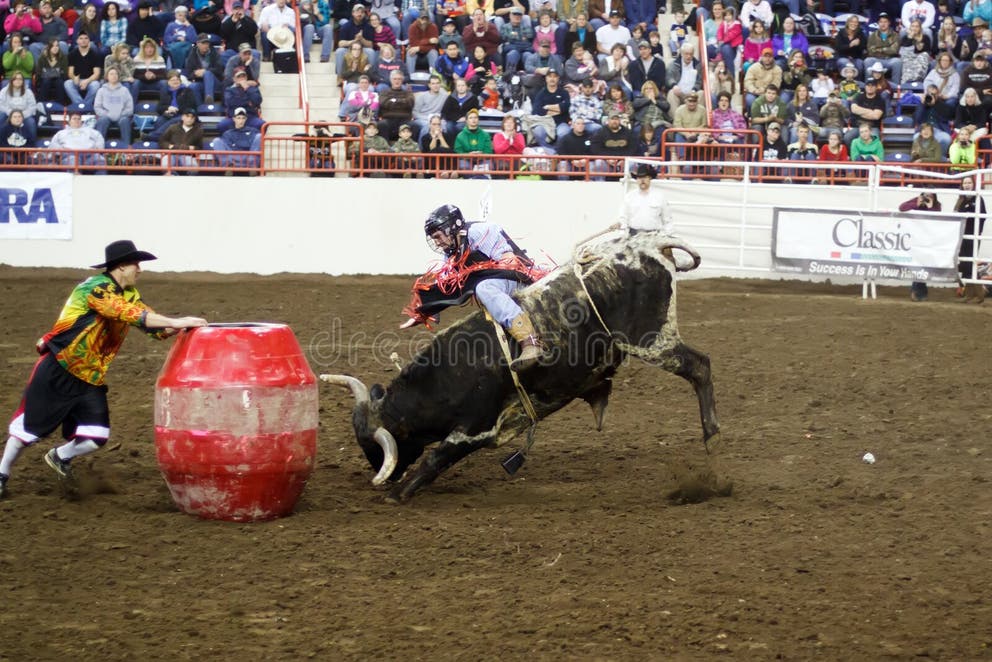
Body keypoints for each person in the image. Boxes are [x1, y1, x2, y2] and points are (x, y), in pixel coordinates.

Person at [0, 240, 208, 499]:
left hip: (90, 376)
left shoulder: (129, 295)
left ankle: (60, 456)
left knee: (96, 435)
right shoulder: (95, 288)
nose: (139, 270)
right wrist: (177, 320)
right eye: (136, 264)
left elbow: (151, 326)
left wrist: (183, 328)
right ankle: (2, 474)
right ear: (121, 267)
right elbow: (129, 314)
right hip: (60, 367)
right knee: (28, 429)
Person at [400, 205, 547, 372]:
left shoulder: (482, 231)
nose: (437, 242)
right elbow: (445, 286)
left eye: (438, 236)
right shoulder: (451, 254)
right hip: (501, 285)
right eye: (434, 239)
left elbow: (510, 262)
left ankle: (530, 342)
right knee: (481, 288)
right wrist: (425, 311)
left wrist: (475, 275)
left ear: (451, 228)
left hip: (521, 279)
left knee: (483, 287)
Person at [898, 192, 941, 301]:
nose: (927, 198)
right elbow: (902, 207)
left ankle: (917, 290)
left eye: (930, 196)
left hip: (929, 239)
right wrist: (916, 204)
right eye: (925, 196)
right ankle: (918, 291)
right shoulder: (917, 200)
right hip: (916, 238)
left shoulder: (936, 205)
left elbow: (937, 217)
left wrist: (930, 207)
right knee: (919, 264)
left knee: (924, 265)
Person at [611, 162, 673, 234]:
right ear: (637, 180)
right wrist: (622, 235)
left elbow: (668, 220)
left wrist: (668, 236)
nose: (642, 180)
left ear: (650, 178)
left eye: (645, 177)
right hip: (634, 237)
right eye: (640, 177)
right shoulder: (629, 197)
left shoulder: (660, 197)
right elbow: (623, 218)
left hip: (654, 236)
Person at [955, 176, 987, 302]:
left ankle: (977, 294)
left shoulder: (978, 198)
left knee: (969, 263)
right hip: (962, 236)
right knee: (965, 263)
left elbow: (982, 217)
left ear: (973, 184)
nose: (967, 185)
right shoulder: (960, 200)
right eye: (965, 183)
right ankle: (975, 294)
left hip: (973, 235)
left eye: (969, 182)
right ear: (962, 185)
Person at [93, 66, 133, 145]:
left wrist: (119, 115)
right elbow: (97, 107)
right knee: (102, 120)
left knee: (125, 120)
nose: (114, 76)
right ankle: (98, 146)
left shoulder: (125, 90)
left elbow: (130, 108)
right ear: (107, 77)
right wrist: (108, 115)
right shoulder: (101, 90)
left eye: (116, 74)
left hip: (121, 117)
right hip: (106, 117)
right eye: (111, 74)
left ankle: (126, 148)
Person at [64, 32, 102, 107]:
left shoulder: (95, 54)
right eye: (81, 38)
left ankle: (85, 106)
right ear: (77, 41)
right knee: (67, 83)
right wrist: (74, 78)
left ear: (89, 41)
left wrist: (87, 81)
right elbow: (70, 73)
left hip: (90, 81)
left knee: (96, 85)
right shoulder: (72, 54)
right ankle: (80, 105)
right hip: (77, 80)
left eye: (86, 38)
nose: (83, 40)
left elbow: (97, 74)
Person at [185, 33, 224, 105]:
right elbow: (188, 73)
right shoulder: (192, 55)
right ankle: (200, 108)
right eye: (203, 43)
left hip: (215, 82)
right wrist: (195, 74)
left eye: (207, 43)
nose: (206, 45)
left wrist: (205, 71)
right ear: (198, 44)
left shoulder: (214, 53)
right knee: (193, 86)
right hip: (201, 82)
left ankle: (209, 100)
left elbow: (219, 70)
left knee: (207, 74)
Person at [0, 72, 37, 136]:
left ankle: (32, 144)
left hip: (24, 115)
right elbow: (0, 104)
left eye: (20, 79)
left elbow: (32, 107)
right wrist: (10, 113)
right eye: (15, 79)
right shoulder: (4, 91)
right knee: (1, 117)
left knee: (31, 122)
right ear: (12, 80)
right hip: (8, 114)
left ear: (23, 81)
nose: (18, 81)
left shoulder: (28, 92)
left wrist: (21, 116)